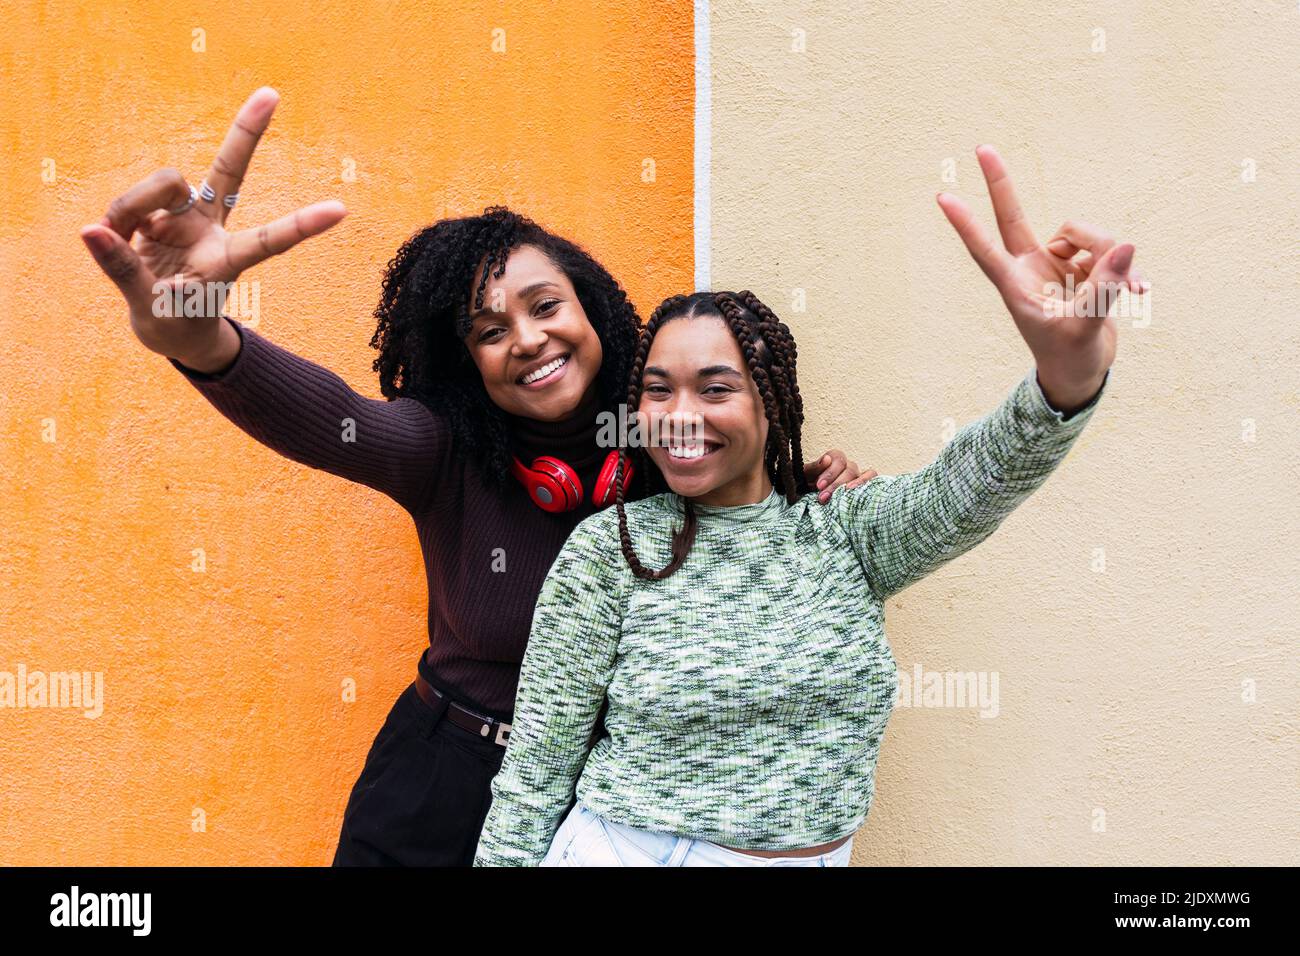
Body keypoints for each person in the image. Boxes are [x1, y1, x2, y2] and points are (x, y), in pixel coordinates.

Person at [76, 87, 871, 866]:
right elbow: (331, 416)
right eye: (490, 330)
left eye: (545, 306)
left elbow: (748, 510)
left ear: (591, 309)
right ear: (468, 361)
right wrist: (201, 338)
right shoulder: (440, 449)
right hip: (440, 783)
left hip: (606, 808)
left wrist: (812, 488)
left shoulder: (671, 452)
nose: (526, 338)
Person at [473, 148, 1144, 866]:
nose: (678, 415)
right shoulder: (611, 550)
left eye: (716, 388)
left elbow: (974, 483)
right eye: (659, 389)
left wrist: (1066, 374)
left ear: (774, 406)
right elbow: (536, 771)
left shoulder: (846, 529)